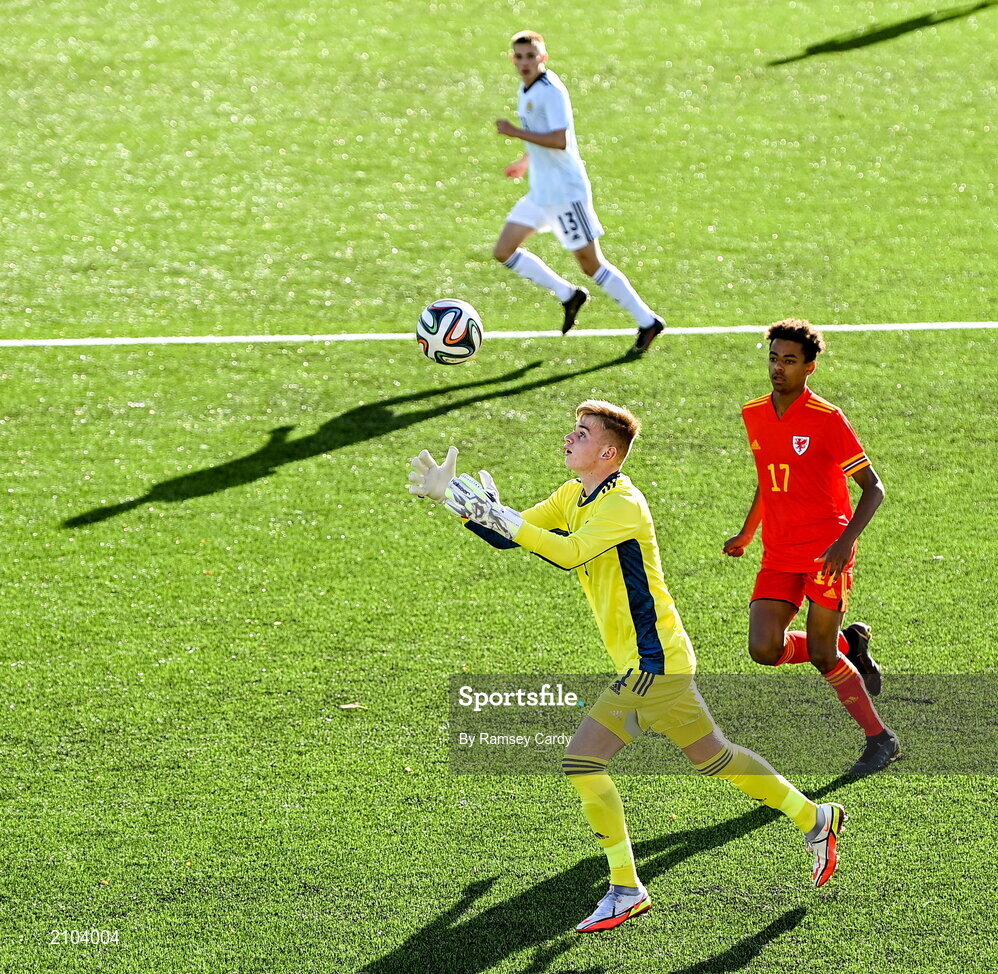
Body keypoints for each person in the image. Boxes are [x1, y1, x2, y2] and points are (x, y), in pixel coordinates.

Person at [408, 401, 847, 934]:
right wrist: (459, 501)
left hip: (652, 664)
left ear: (608, 452)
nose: (569, 438)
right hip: (661, 659)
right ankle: (815, 817)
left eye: (582, 432)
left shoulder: (624, 505)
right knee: (716, 759)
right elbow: (514, 535)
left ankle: (625, 888)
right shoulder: (575, 495)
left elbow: (568, 554)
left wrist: (487, 508)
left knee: (582, 762)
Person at [723, 319, 900, 776]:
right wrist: (747, 533)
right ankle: (850, 642)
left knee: (823, 657)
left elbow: (873, 488)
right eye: (774, 358)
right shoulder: (754, 412)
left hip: (826, 550)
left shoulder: (827, 418)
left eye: (789, 361)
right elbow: (769, 479)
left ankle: (881, 739)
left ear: (809, 367)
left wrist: (845, 543)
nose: (778, 368)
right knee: (763, 647)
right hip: (779, 551)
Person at [492, 31, 665, 354]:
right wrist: (525, 161)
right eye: (519, 56)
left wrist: (514, 133)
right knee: (503, 250)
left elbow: (559, 139)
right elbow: (541, 136)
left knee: (591, 264)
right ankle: (568, 294)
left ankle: (647, 320)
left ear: (543, 57)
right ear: (512, 60)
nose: (525, 62)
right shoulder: (526, 88)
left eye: (531, 56)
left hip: (565, 194)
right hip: (541, 191)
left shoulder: (551, 91)